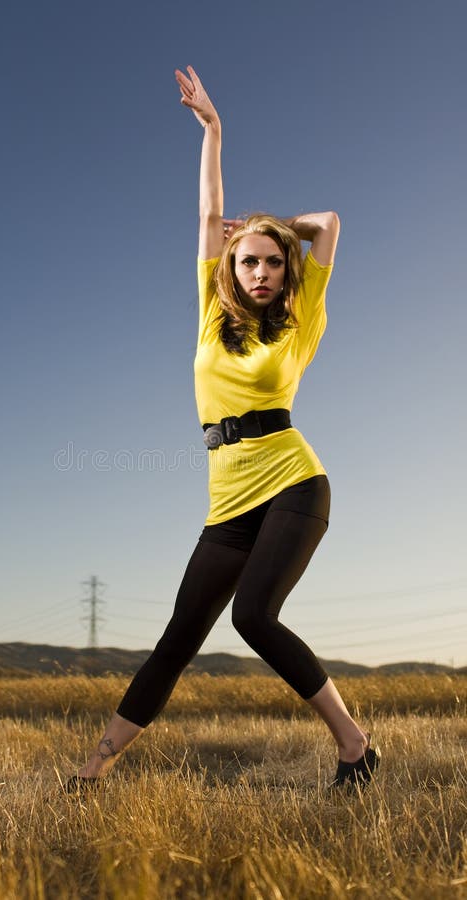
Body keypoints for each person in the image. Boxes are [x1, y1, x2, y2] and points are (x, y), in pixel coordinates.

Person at [66, 66, 380, 792]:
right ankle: (93, 770)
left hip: (295, 483)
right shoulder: (211, 311)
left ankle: (353, 745)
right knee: (179, 637)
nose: (262, 271)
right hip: (227, 500)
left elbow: (328, 224)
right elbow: (210, 215)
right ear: (229, 271)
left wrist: (274, 225)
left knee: (253, 618)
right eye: (250, 261)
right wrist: (213, 129)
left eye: (273, 262)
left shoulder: (303, 323)